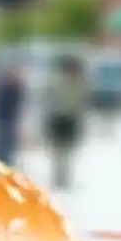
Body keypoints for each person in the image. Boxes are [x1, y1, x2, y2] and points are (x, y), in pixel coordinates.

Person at [42, 55, 88, 189]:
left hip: (71, 119)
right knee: (56, 150)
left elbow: (82, 102)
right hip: (57, 118)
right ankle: (57, 177)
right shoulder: (55, 81)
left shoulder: (80, 83)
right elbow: (47, 100)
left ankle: (64, 178)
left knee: (68, 150)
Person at [0, 63, 25, 168]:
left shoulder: (17, 89)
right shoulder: (3, 89)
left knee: (8, 148)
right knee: (0, 147)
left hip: (11, 123)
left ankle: (5, 165)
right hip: (1, 122)